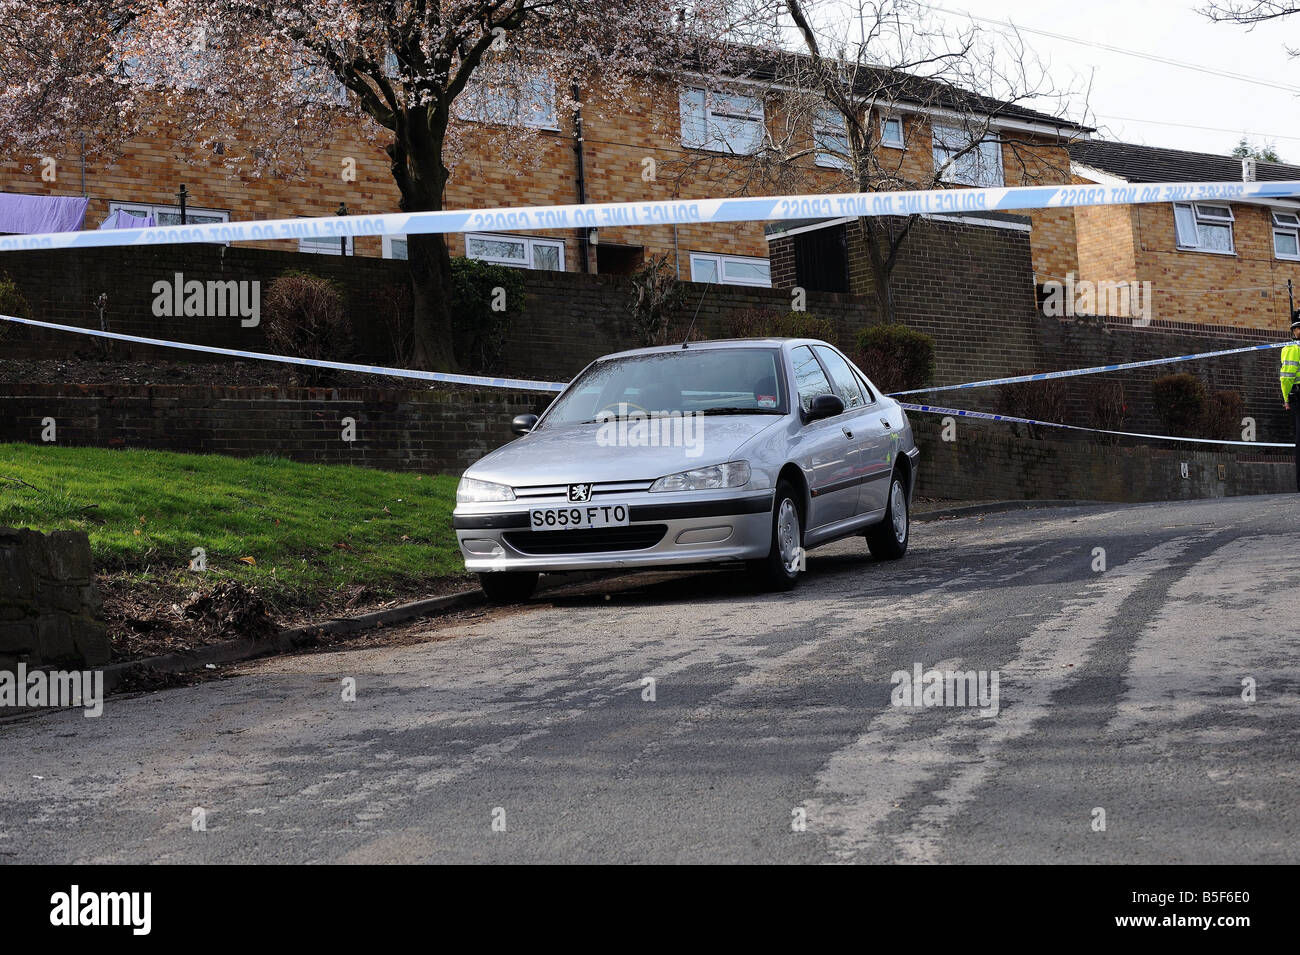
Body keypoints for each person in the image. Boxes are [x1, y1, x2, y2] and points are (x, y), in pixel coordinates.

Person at [1282, 314, 1300, 491]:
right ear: (1294, 331)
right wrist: (1287, 397)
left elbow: (1286, 377)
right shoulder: (1292, 348)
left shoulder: (1292, 348)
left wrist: (1286, 398)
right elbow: (1287, 377)